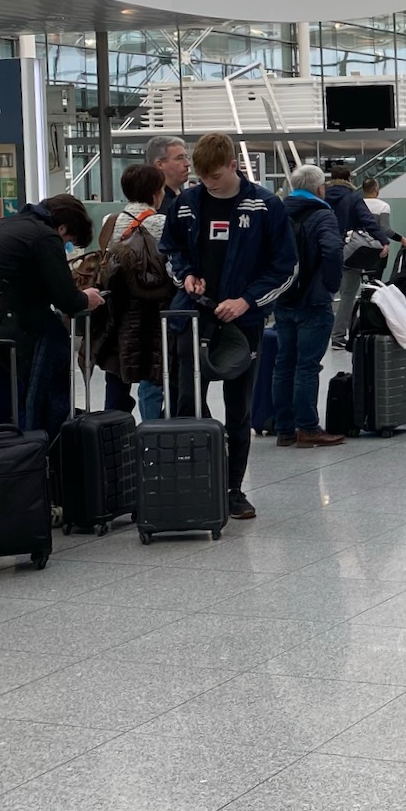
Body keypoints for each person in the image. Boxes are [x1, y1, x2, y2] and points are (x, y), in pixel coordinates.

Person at [162, 132, 298, 521]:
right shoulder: (187, 205)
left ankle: (234, 489)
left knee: (239, 409)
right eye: (203, 178)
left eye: (216, 176)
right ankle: (197, 480)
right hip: (195, 317)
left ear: (234, 166)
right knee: (188, 403)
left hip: (244, 321)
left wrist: (247, 301)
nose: (210, 184)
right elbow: (171, 251)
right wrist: (186, 276)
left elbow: (285, 268)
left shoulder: (264, 206)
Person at [0, 194, 102, 437]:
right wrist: (88, 298)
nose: (65, 244)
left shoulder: (7, 225)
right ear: (62, 228)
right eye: (69, 240)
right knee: (30, 393)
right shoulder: (45, 236)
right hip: (7, 329)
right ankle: (38, 442)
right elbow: (68, 299)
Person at [93, 164, 175, 422]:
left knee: (116, 370)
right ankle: (151, 431)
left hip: (116, 310)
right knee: (153, 373)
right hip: (153, 309)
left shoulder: (111, 221)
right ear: (155, 192)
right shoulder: (162, 223)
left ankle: (113, 429)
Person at [273, 165, 344, 448]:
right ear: (320, 188)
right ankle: (307, 427)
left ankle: (284, 429)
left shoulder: (277, 212)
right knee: (307, 365)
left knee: (283, 364)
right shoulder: (322, 214)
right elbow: (332, 249)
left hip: (283, 297)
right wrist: (330, 285)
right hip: (313, 302)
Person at [327, 162, 386, 349]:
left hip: (323, 250)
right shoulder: (353, 197)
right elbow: (367, 220)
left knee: (323, 293)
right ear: (349, 179)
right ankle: (337, 337)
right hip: (347, 250)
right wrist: (382, 239)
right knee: (347, 295)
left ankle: (320, 333)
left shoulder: (321, 196)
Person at [146, 134, 191, 218]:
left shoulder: (187, 196)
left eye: (187, 157)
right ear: (160, 164)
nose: (187, 164)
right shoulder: (154, 203)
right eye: (180, 158)